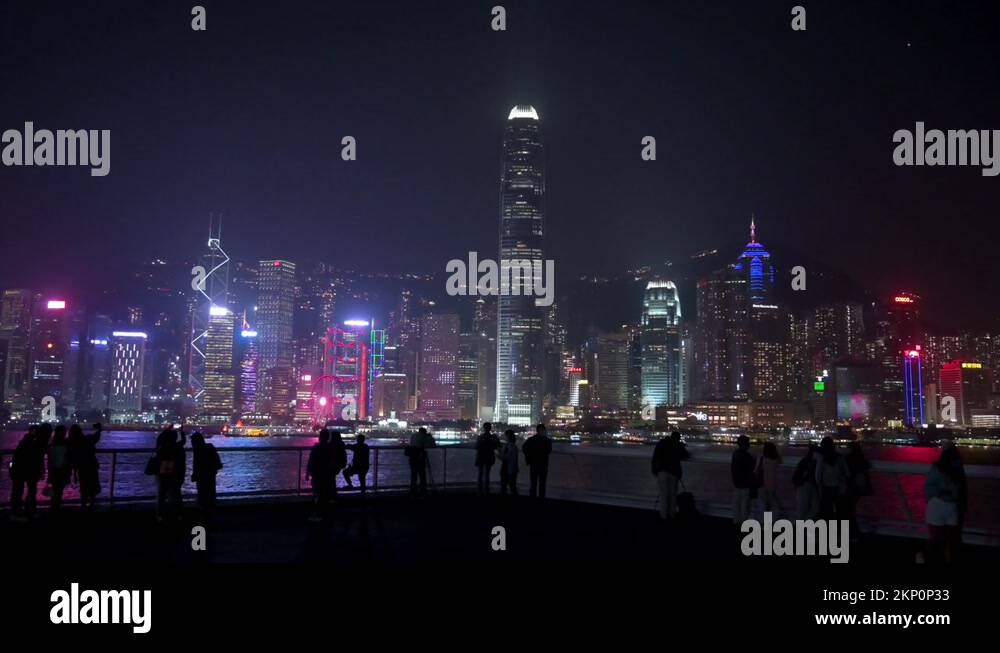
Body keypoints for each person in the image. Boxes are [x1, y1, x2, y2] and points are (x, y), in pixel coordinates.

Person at [924, 443, 967, 563]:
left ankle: (928, 559)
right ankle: (947, 559)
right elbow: (961, 489)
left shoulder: (937, 467)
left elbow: (928, 487)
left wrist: (933, 498)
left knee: (935, 538)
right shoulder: (958, 468)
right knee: (951, 539)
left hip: (937, 505)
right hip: (952, 506)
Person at [651, 431, 690, 520]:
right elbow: (685, 455)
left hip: (662, 472)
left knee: (663, 496)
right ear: (678, 438)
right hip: (674, 473)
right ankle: (672, 515)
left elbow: (655, 457)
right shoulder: (678, 445)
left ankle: (663, 516)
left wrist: (655, 471)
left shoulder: (661, 443)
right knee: (673, 496)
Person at [9, 427, 44, 521]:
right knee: (30, 491)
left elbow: (17, 457)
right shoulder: (35, 443)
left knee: (18, 492)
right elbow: (38, 458)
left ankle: (17, 512)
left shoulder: (24, 442)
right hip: (29, 471)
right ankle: (29, 510)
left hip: (20, 471)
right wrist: (41, 470)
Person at [154, 428, 185, 521]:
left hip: (163, 473)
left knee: (161, 494)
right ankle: (179, 514)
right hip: (175, 473)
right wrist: (182, 432)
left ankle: (160, 515)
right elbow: (183, 441)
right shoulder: (177, 447)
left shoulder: (161, 448)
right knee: (176, 493)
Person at [815, 436, 850, 520]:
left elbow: (818, 476)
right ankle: (840, 531)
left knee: (827, 512)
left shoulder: (822, 459)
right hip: (839, 488)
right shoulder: (840, 457)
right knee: (840, 512)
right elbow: (848, 473)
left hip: (826, 488)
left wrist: (819, 485)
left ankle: (829, 531)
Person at [71, 422, 102, 509]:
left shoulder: (73, 443)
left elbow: (74, 459)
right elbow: (95, 437)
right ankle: (92, 504)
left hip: (82, 467)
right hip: (91, 465)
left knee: (83, 487)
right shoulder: (87, 439)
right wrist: (99, 430)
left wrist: (74, 473)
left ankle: (83, 504)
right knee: (92, 485)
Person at [306, 429, 335, 520]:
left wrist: (307, 473)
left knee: (318, 493)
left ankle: (318, 514)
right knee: (325, 493)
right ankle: (326, 514)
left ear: (320, 437)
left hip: (317, 473)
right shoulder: (331, 448)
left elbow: (311, 460)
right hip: (327, 473)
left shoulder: (316, 447)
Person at [844, 441, 871, 539]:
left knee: (847, 510)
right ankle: (854, 533)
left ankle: (852, 533)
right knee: (850, 510)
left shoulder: (848, 459)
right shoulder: (862, 459)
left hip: (852, 487)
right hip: (860, 487)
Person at [191, 432, 222, 514]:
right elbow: (216, 460)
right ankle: (211, 512)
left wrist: (194, 475)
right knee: (211, 491)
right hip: (211, 473)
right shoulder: (210, 446)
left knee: (202, 493)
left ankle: (204, 513)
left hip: (201, 475)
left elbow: (196, 464)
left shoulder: (197, 450)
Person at [522, 424, 552, 499]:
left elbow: (524, 448)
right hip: (543, 464)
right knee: (542, 483)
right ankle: (541, 497)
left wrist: (529, 458)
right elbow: (548, 451)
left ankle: (533, 497)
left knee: (533, 483)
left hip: (534, 464)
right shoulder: (547, 441)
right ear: (543, 431)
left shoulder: (531, 440)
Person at [730, 435, 755, 525]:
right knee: (745, 504)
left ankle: (737, 520)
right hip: (745, 483)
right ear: (746, 444)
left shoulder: (735, 453)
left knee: (736, 503)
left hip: (736, 482)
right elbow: (751, 468)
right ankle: (744, 522)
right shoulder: (747, 456)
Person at [46, 425, 72, 512]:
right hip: (62, 470)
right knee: (59, 490)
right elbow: (68, 457)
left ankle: (54, 506)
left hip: (55, 470)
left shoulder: (51, 444)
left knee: (56, 489)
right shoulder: (67, 443)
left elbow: (49, 459)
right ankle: (56, 506)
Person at [792, 443, 820, 519]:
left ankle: (802, 522)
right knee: (812, 508)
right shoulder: (814, 462)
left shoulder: (805, 461)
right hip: (807, 485)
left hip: (806, 485)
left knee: (805, 507)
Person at [405, 427, 436, 497]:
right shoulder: (424, 437)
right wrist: (430, 437)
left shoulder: (413, 435)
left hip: (412, 457)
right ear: (424, 432)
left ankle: (413, 490)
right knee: (422, 475)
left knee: (413, 475)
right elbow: (433, 445)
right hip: (420, 458)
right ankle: (423, 491)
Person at [754, 441, 782, 514]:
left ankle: (766, 521)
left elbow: (756, 470)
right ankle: (771, 519)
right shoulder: (776, 459)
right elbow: (780, 460)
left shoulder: (761, 457)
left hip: (762, 482)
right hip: (772, 482)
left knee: (763, 503)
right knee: (771, 502)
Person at [474, 422, 501, 495]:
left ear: (484, 428)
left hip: (481, 456)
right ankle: (486, 490)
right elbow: (498, 445)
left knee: (480, 474)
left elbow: (477, 447)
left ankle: (479, 490)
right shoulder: (493, 437)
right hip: (489, 457)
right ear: (490, 428)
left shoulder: (480, 437)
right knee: (487, 474)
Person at [499, 430, 519, 496]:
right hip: (512, 469)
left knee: (506, 486)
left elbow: (504, 458)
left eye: (505, 435)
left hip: (507, 469)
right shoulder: (513, 446)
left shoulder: (509, 446)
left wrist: (496, 453)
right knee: (512, 487)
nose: (504, 437)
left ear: (508, 436)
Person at [330, 431, 348, 501]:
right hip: (340, 464)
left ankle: (332, 494)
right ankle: (333, 494)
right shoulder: (342, 444)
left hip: (333, 464)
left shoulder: (332, 444)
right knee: (332, 478)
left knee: (331, 478)